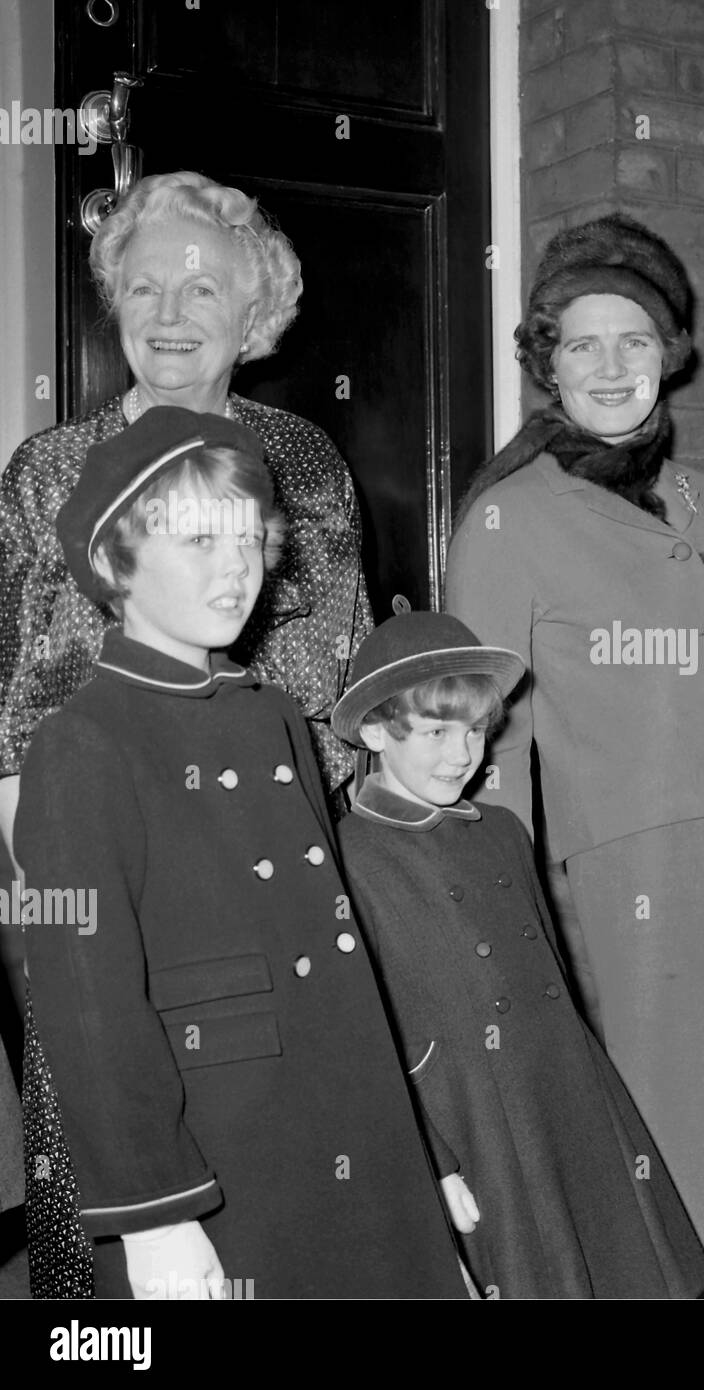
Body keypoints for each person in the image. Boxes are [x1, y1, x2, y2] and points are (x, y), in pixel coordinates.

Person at [446, 213, 704, 1299]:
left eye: (634, 340)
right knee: (665, 1197)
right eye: (582, 343)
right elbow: (484, 747)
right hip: (629, 900)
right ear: (547, 364)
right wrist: (512, 943)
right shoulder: (505, 520)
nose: (612, 367)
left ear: (669, 353)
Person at [17, 409, 465, 1298]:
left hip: (355, 1129)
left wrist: (425, 1152)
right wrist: (155, 1215)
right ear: (113, 562)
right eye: (196, 540)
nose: (236, 568)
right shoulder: (78, 745)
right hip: (222, 1160)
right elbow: (86, 1007)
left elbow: (349, 968)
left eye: (249, 540)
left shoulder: (275, 718)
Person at [331, 611, 704, 1299]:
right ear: (375, 731)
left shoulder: (502, 831)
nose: (461, 754)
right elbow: (357, 1041)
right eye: (436, 731)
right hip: (470, 1118)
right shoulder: (347, 856)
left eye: (475, 730)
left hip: (565, 1093)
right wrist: (428, 1159)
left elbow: (555, 987)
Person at [0, 169, 371, 855]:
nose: (167, 316)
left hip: (272, 831)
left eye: (201, 289)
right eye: (144, 288)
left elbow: (342, 698)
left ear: (251, 318)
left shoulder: (304, 461)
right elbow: (6, 707)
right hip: (90, 831)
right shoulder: (46, 471)